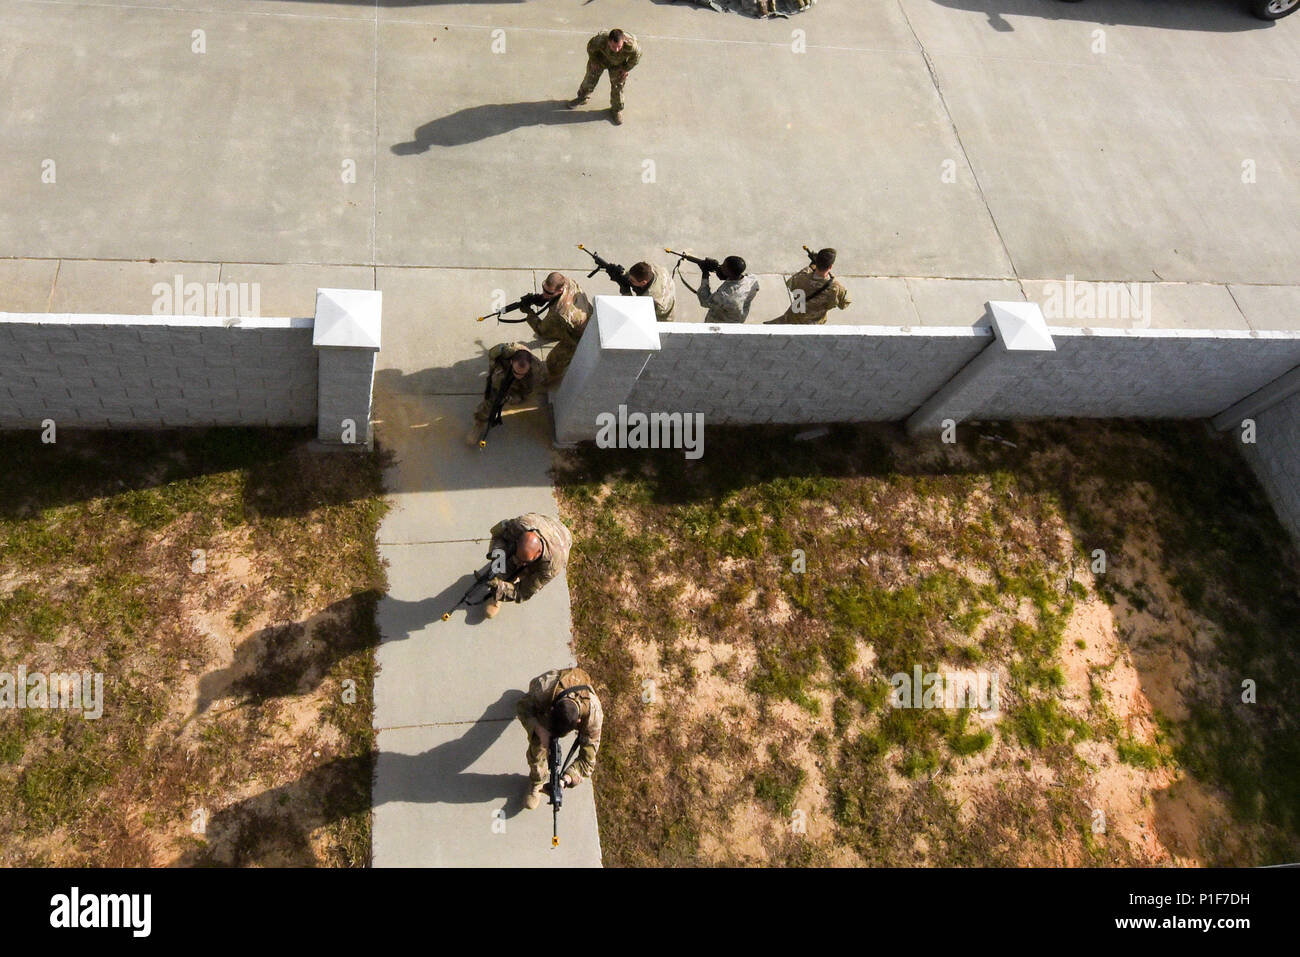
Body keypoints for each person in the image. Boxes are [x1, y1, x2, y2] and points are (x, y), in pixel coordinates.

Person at [515, 667, 603, 810]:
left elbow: (587, 762)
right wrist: (540, 730)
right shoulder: (545, 687)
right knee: (538, 743)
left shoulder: (593, 714)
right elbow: (522, 707)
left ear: (579, 722)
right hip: (548, 690)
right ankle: (537, 781)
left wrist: (564, 780)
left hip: (577, 708)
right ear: (551, 709)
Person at [483, 513, 573, 618]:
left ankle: (499, 594)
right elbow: (497, 533)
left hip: (564, 537)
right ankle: (504, 572)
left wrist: (500, 588)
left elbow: (522, 592)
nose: (521, 563)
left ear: (538, 552)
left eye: (525, 561)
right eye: (520, 559)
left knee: (524, 572)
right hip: (545, 523)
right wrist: (497, 558)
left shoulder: (551, 567)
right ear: (519, 539)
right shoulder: (520, 525)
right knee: (505, 560)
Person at [465, 343, 546, 447]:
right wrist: (493, 368)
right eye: (516, 372)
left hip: (523, 382)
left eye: (521, 374)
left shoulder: (536, 373)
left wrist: (512, 398)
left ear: (529, 366)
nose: (518, 376)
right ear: (512, 361)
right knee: (494, 396)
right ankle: (480, 422)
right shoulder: (505, 351)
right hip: (505, 368)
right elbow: (492, 354)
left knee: (513, 396)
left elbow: (527, 395)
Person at [523, 272, 592, 381]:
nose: (544, 293)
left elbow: (541, 330)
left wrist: (529, 312)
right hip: (588, 314)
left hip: (580, 336)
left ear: (559, 290)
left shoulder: (560, 312)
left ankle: (553, 378)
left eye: (548, 292)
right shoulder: (568, 282)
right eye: (543, 288)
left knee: (553, 362)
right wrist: (543, 298)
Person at [569, 28, 642, 125]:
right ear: (608, 42)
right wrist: (594, 60)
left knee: (618, 86)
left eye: (619, 47)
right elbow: (590, 47)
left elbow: (637, 56)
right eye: (613, 46)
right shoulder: (600, 40)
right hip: (601, 60)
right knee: (589, 79)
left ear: (623, 41)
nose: (616, 49)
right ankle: (582, 97)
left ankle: (616, 110)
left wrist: (626, 68)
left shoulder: (631, 45)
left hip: (618, 65)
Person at [773, 247, 851, 324]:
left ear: (817, 262)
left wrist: (812, 265)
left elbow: (790, 284)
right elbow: (844, 304)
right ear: (830, 266)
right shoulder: (835, 287)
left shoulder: (802, 276)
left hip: (792, 321)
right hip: (813, 327)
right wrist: (832, 277)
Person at [695, 255, 759, 324]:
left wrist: (705, 274)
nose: (721, 266)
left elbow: (704, 301)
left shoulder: (724, 295)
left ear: (729, 272)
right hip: (738, 318)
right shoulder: (752, 280)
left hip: (720, 324)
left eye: (724, 266)